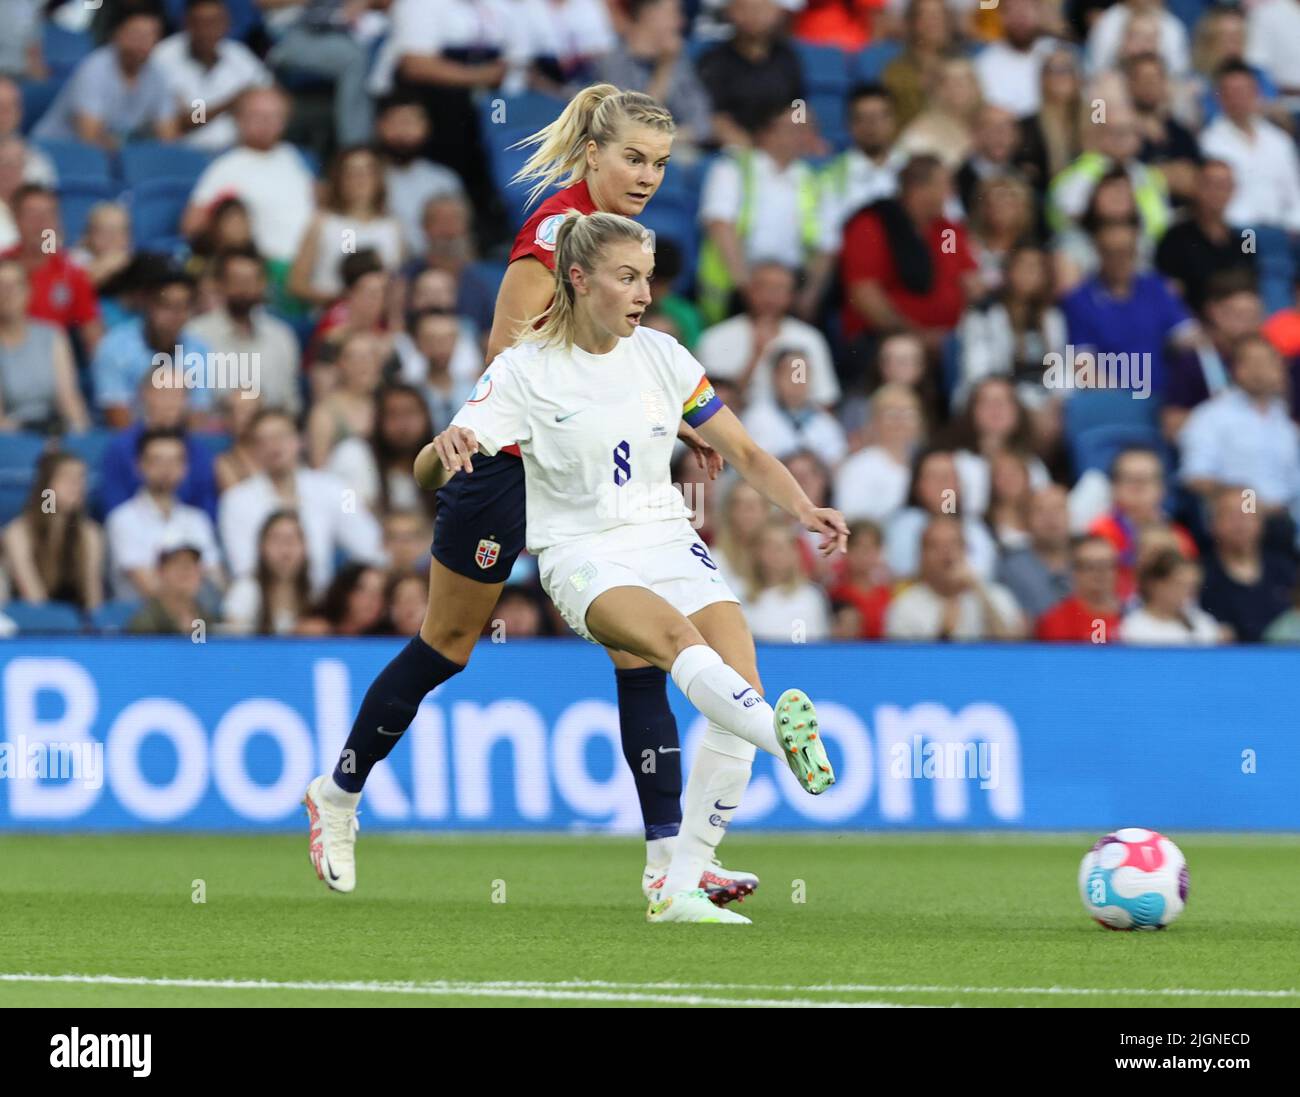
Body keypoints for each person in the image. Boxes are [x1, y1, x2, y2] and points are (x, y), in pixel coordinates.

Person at [320, 87, 756, 907]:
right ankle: (338, 793)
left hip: (589, 473)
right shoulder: (556, 233)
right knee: (447, 643)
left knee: (644, 652)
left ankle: (671, 861)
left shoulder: (623, 238)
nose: (648, 176)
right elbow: (503, 349)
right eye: (633, 158)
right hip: (513, 463)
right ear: (593, 154)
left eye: (660, 164)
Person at [404, 210, 846, 925]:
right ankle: (784, 741)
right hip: (584, 554)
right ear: (578, 279)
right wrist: (442, 445)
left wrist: (805, 509)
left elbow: (747, 453)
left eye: (646, 278)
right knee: (681, 646)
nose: (643, 293)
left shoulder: (664, 356)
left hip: (669, 540)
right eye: (626, 277)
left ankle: (680, 885)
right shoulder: (524, 370)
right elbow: (428, 470)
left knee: (740, 688)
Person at [218, 407, 385, 594]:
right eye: (263, 440)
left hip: (322, 600)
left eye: (281, 436)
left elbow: (369, 544)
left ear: (300, 440)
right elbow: (244, 567)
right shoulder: (235, 501)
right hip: (265, 602)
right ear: (254, 450)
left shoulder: (337, 488)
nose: (274, 446)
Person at [32, 2, 178, 148]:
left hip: (116, 157)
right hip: (56, 152)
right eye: (136, 34)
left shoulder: (157, 74)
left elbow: (168, 137)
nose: (142, 43)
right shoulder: (93, 69)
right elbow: (89, 137)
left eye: (150, 35)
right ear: (117, 34)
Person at [104, 428, 224, 602]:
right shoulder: (122, 519)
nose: (166, 469)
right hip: (142, 622)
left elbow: (214, 577)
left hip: (197, 616)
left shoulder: (198, 519)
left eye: (175, 461)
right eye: (157, 461)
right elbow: (146, 585)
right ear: (139, 466)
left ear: (185, 468)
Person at [289, 146, 405, 307]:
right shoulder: (324, 223)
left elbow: (398, 279)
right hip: (337, 315)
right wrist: (338, 299)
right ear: (339, 179)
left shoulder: (392, 226)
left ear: (378, 178)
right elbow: (297, 283)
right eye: (351, 173)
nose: (360, 179)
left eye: (367, 172)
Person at [153, 0, 273, 152]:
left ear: (227, 24)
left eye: (216, 22)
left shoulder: (239, 55)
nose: (208, 30)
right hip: (185, 153)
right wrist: (230, 103)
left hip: (235, 152)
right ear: (187, 23)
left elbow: (268, 96)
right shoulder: (165, 57)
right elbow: (188, 120)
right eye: (202, 23)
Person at [884, 515, 1026, 640]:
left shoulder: (996, 595)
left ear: (966, 550)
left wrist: (978, 589)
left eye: (954, 544)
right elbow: (906, 666)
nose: (946, 553)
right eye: (935, 546)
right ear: (922, 556)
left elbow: (1010, 652)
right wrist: (944, 634)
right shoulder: (905, 607)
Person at [2, 451, 103, 611]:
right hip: (30, 624)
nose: (77, 486)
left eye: (81, 478)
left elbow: (93, 595)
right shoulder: (18, 533)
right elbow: (33, 597)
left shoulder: (90, 533)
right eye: (67, 479)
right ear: (46, 486)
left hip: (78, 625)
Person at [0, 257, 89, 434]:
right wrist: (32, 430)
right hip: (10, 439)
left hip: (52, 430)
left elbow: (69, 398)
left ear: (29, 291)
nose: (8, 294)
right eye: (1, 286)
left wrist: (79, 431)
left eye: (15, 285)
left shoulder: (52, 335)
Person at [1198, 484, 1296, 643]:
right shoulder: (1200, 574)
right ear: (1212, 522)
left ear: (1261, 521)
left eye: (1249, 514)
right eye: (1231, 515)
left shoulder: (1285, 571)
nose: (1241, 523)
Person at [742, 518, 833, 641]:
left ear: (794, 553)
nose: (774, 554)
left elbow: (817, 646)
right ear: (757, 553)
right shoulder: (744, 598)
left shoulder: (810, 597)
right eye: (768, 547)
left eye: (780, 548)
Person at [222, 509, 311, 636]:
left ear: (305, 547)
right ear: (261, 547)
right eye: (276, 540)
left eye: (291, 540)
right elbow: (233, 646)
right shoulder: (246, 590)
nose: (285, 550)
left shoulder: (315, 594)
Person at [1120, 549, 1224, 645]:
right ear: (1155, 585)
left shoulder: (1203, 623)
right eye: (1179, 585)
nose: (1188, 594)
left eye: (1192, 587)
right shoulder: (1133, 627)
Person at [1035, 534, 1123, 642]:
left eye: (1107, 565)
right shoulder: (1056, 621)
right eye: (1090, 566)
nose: (1100, 573)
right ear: (1075, 572)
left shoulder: (1130, 614)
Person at [126, 541, 207, 635]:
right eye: (177, 562)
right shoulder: (145, 624)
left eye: (193, 563)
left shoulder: (206, 618)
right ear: (161, 571)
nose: (186, 570)